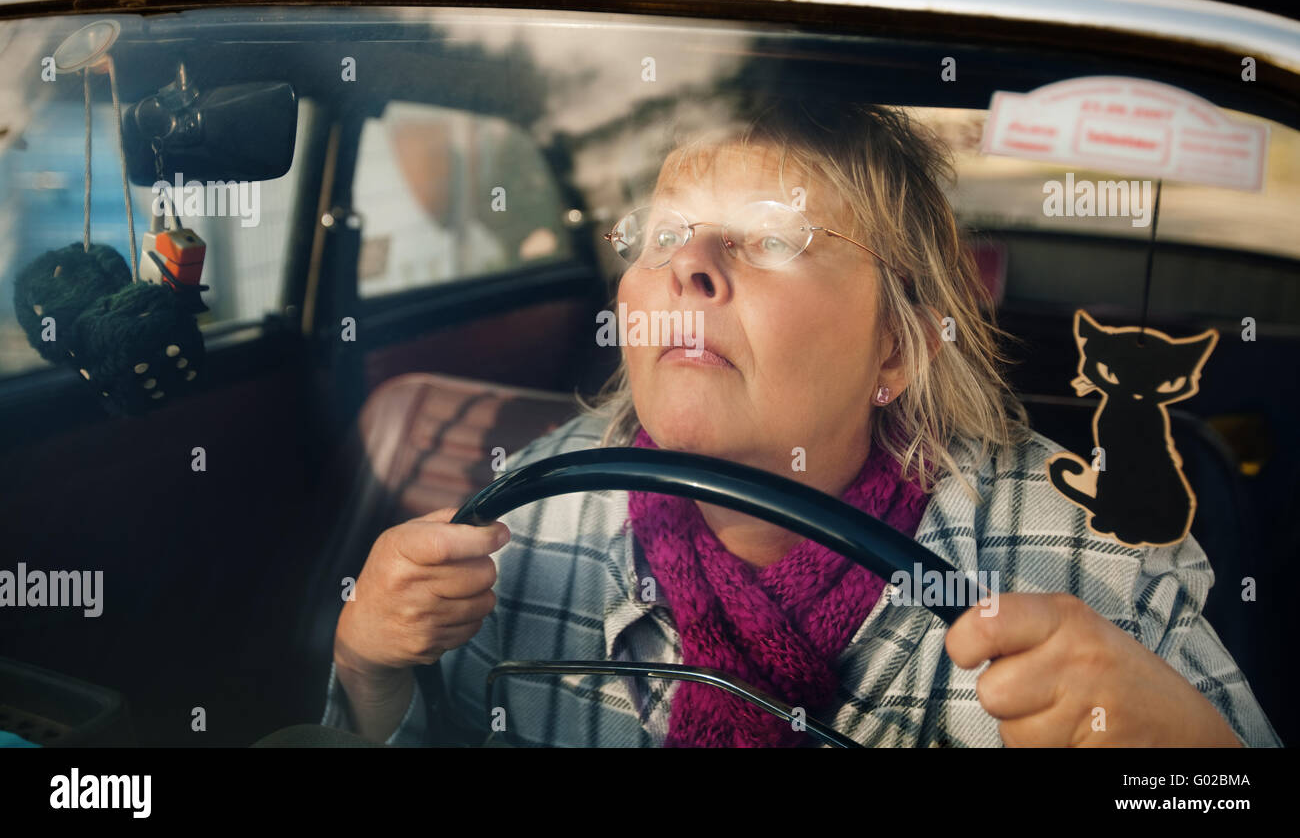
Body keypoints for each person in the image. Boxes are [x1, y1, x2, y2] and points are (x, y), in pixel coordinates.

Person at [321, 98, 1280, 747]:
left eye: (773, 236)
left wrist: (1192, 766)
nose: (688, 262)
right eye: (660, 234)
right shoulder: (525, 515)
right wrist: (367, 670)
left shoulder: (1096, 563)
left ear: (895, 349)